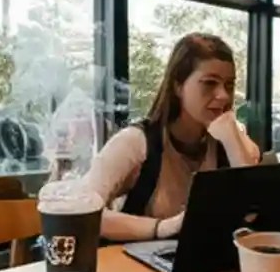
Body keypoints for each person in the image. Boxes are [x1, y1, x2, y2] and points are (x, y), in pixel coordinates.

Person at [83, 33, 260, 241]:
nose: (223, 96)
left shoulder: (229, 138)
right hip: (138, 265)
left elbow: (253, 213)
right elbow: (83, 212)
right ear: (178, 86)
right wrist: (162, 227)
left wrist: (232, 138)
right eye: (210, 83)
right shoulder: (136, 141)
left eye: (229, 85)